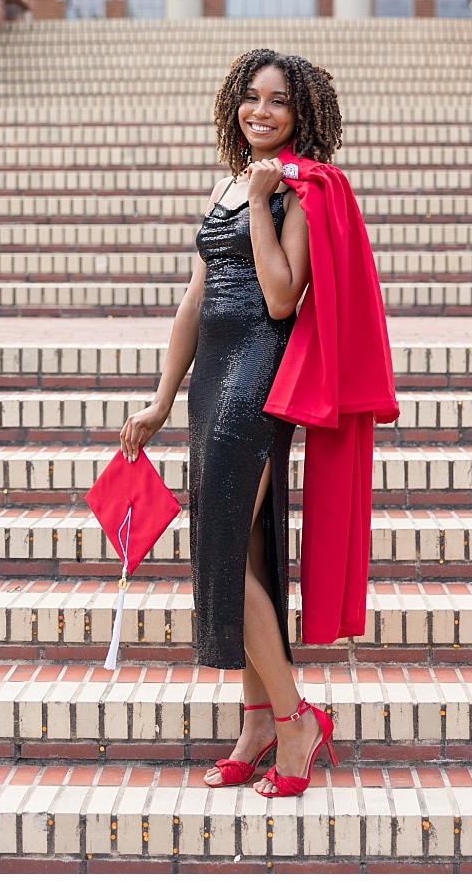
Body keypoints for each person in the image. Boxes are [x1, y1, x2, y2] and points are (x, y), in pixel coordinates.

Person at [119, 49, 342, 793]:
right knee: (239, 557)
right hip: (212, 379)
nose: (262, 112)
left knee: (218, 551)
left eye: (278, 101)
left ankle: (295, 720)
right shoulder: (228, 182)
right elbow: (194, 299)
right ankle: (254, 723)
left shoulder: (301, 192)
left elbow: (282, 298)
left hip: (259, 375)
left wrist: (261, 200)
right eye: (251, 98)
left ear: (300, 114)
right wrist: (160, 396)